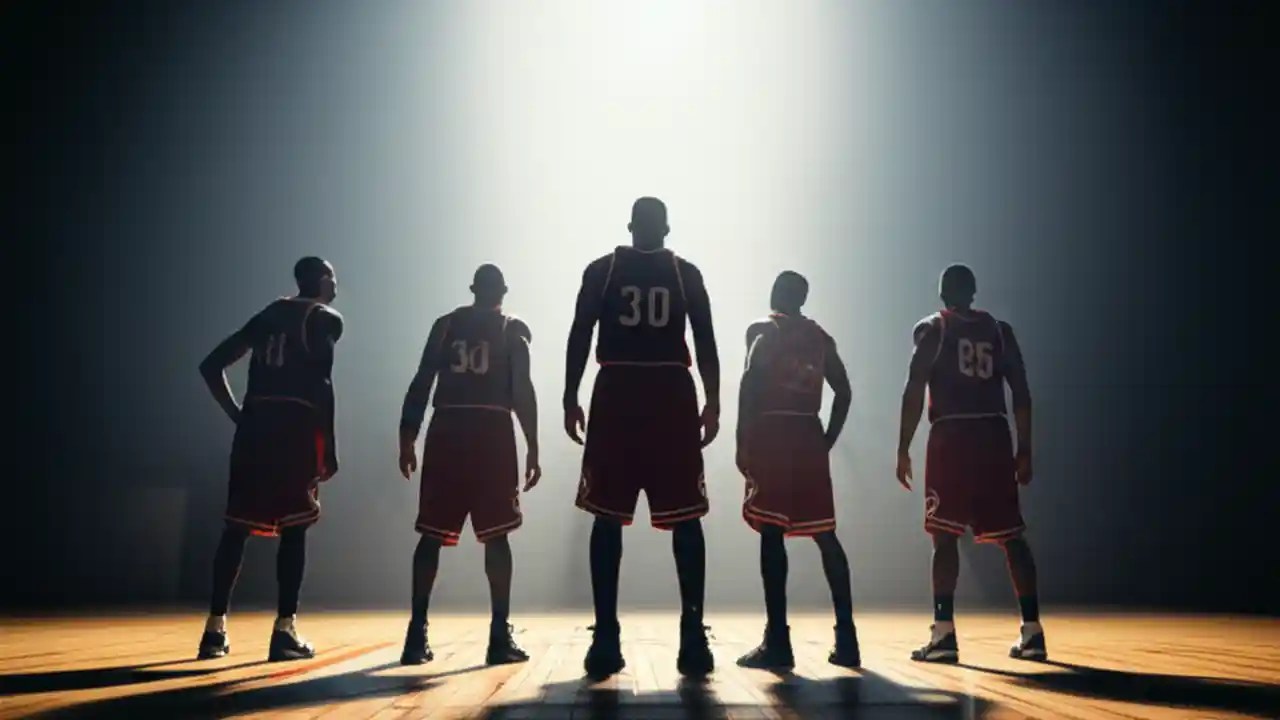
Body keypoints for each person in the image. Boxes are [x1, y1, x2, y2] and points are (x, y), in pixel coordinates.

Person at [564, 197, 720, 678]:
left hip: (619, 391)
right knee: (686, 517)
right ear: (667, 228)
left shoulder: (603, 270)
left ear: (630, 226)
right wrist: (713, 400)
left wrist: (570, 394)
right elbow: (706, 339)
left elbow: (580, 335)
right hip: (669, 391)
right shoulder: (684, 272)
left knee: (607, 517)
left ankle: (606, 636)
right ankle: (692, 636)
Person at [196, 256, 343, 662]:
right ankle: (284, 630)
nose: (337, 284)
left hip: (255, 427)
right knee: (295, 528)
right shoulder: (324, 318)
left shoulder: (268, 316)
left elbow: (211, 366)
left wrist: (238, 415)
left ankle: (213, 630)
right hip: (293, 428)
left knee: (236, 528)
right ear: (322, 279)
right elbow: (323, 383)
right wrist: (328, 445)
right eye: (334, 277)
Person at [896, 264, 1045, 663]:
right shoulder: (1000, 331)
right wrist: (1025, 448)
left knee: (944, 535)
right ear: (975, 291)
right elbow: (1023, 393)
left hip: (952, 435)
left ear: (942, 292)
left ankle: (943, 634)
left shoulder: (932, 328)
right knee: (1012, 534)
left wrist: (903, 446)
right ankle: (1033, 631)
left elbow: (913, 389)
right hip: (995, 435)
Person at [398, 264, 541, 666]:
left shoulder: (446, 325)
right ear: (504, 292)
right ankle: (499, 635)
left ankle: (416, 633)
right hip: (491, 432)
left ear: (473, 289)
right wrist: (533, 445)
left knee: (430, 534)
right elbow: (523, 390)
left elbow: (422, 380)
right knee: (497, 536)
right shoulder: (513, 329)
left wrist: (407, 434)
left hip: (447, 429)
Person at [735, 271, 861, 670]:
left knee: (772, 533)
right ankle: (847, 638)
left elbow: (749, 380)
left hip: (774, 431)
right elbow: (844, 391)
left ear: (775, 295)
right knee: (825, 534)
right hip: (808, 432)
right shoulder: (820, 338)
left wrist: (741, 440)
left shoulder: (763, 329)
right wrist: (827, 439)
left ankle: (778, 640)